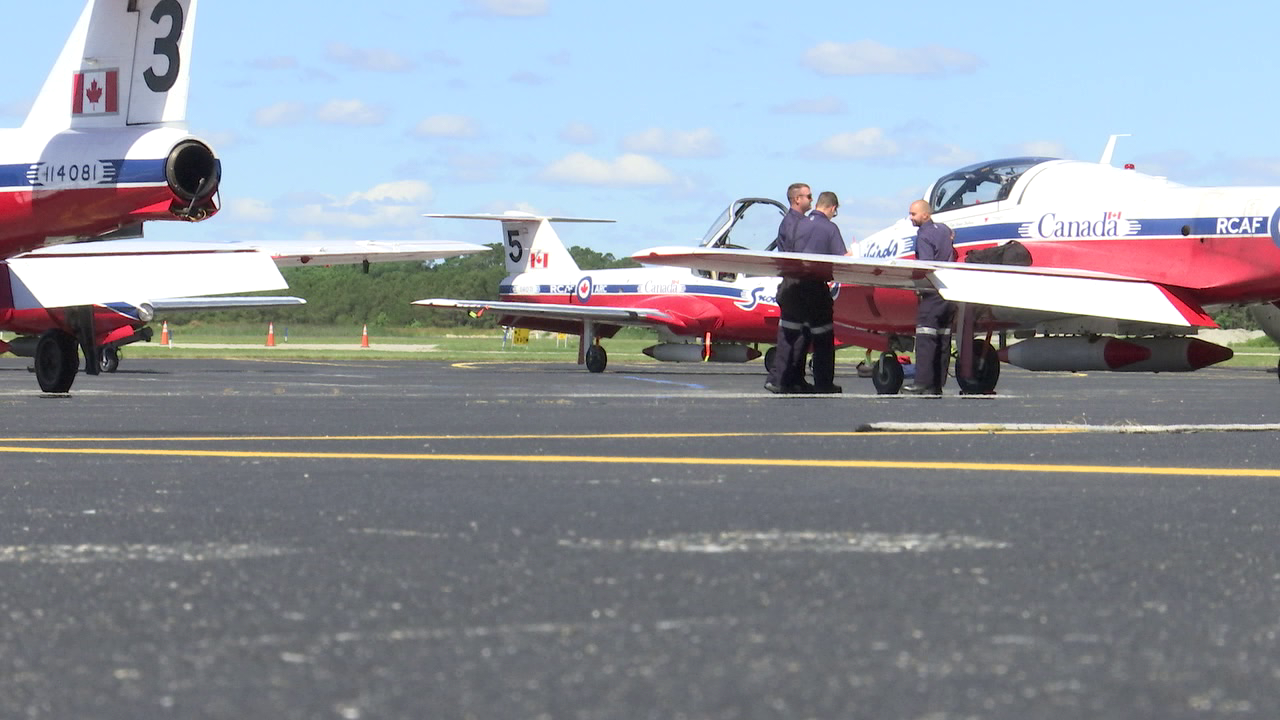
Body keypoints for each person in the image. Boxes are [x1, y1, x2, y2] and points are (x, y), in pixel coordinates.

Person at [767, 190, 847, 394]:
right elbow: (842, 259)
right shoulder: (830, 228)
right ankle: (823, 383)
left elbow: (786, 252)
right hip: (815, 286)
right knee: (822, 335)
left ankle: (782, 380)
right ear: (833, 208)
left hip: (791, 286)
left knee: (790, 334)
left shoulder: (795, 224)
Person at [905, 199, 956, 395]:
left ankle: (922, 382)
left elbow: (925, 265)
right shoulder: (943, 229)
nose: (911, 218)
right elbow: (951, 236)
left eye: (913, 214)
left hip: (932, 290)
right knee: (943, 337)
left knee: (926, 336)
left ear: (925, 215)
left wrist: (918, 287)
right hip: (948, 291)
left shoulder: (924, 235)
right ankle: (936, 384)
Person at [765, 183, 812, 393]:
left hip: (800, 283)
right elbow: (797, 254)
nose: (811, 199)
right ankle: (779, 379)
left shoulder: (800, 222)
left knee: (802, 334)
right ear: (797, 199)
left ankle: (795, 378)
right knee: (790, 334)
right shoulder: (793, 224)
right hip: (794, 284)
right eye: (808, 196)